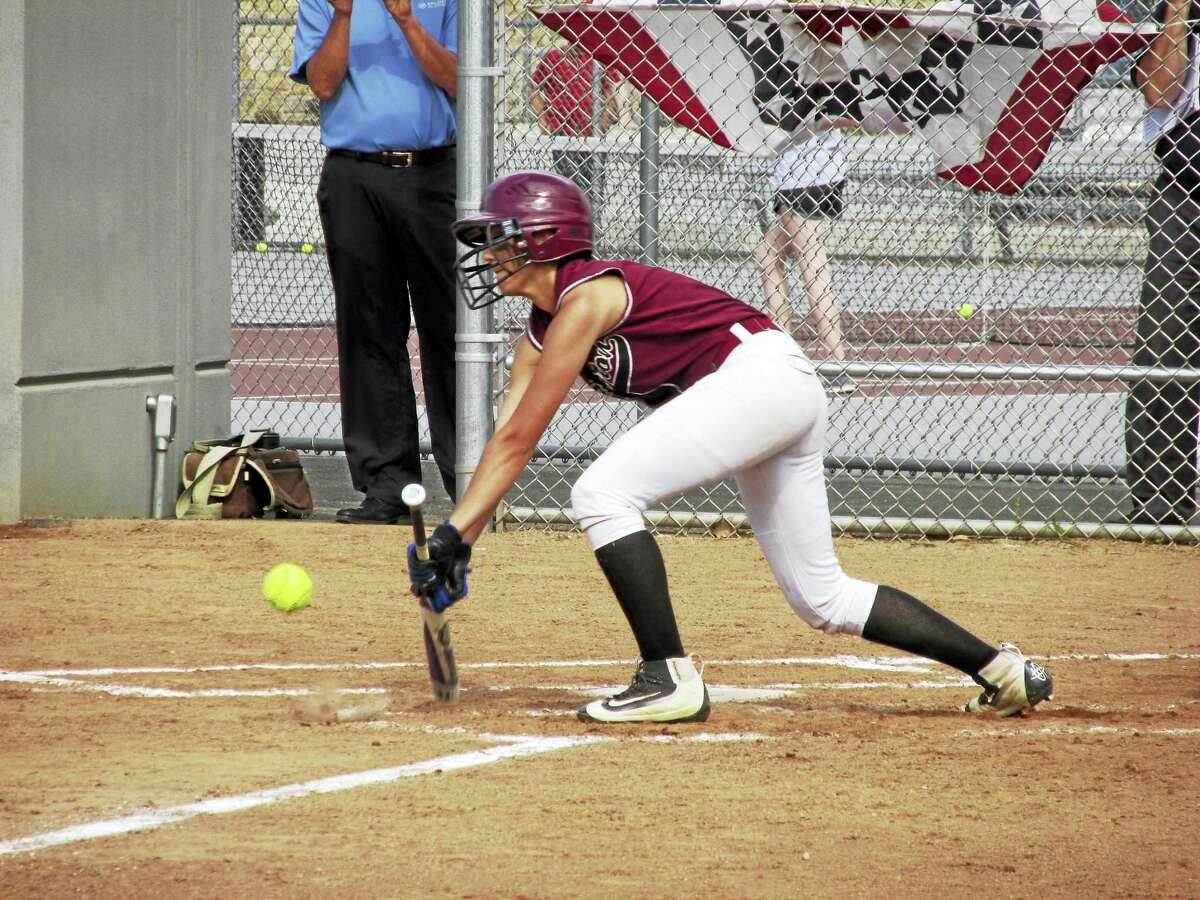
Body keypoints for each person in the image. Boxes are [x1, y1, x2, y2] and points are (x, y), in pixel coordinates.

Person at [406, 171, 1055, 724]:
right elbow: (505, 439)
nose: (487, 253)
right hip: (769, 389)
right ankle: (1001, 671)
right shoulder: (543, 330)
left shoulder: (585, 295)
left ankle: (668, 677)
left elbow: (525, 438)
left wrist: (459, 536)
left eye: (499, 238)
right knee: (821, 597)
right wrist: (456, 536)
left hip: (759, 378)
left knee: (602, 493)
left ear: (545, 239)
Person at [290, 0, 457, 524]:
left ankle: (470, 477)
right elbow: (322, 83)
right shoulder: (324, 3)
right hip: (354, 176)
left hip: (434, 176)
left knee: (451, 331)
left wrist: (407, 19)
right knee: (369, 332)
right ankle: (388, 485)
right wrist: (342, 17)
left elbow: (461, 81)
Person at [1126, 0, 1200, 527]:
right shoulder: (1173, 14)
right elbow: (1159, 90)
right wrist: (1177, 12)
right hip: (1186, 189)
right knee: (1166, 342)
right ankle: (1162, 499)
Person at [754, 132, 856, 396]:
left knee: (811, 262)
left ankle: (837, 365)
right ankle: (785, 353)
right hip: (815, 173)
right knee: (767, 256)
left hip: (802, 177)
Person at [531, 46, 618, 230]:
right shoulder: (554, 57)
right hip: (563, 135)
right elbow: (534, 87)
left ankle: (591, 229)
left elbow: (609, 90)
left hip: (591, 135)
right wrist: (542, 117)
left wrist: (604, 119)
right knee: (567, 185)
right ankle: (569, 227)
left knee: (593, 185)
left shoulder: (598, 57)